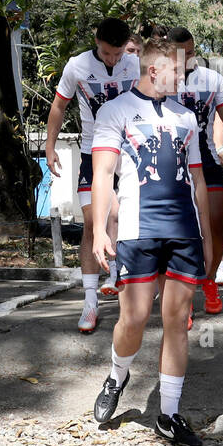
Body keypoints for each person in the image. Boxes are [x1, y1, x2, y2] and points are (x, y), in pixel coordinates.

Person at [90, 34, 213, 446]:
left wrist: (208, 238)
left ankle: (170, 414)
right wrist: (98, 232)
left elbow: (198, 179)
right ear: (154, 70)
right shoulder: (115, 110)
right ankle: (117, 375)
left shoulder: (187, 117)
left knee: (177, 320)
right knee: (136, 318)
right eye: (177, 69)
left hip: (183, 232)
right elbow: (104, 174)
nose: (184, 75)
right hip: (137, 230)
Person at [46, 17, 140, 334]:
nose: (113, 59)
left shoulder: (135, 65)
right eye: (107, 53)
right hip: (92, 151)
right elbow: (59, 106)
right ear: (96, 40)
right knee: (91, 222)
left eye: (118, 54)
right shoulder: (78, 66)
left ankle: (131, 281)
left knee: (127, 218)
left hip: (130, 152)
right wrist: (49, 146)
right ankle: (90, 302)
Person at [163, 27, 223, 317]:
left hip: (206, 158)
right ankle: (182, 296)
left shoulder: (212, 79)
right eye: (182, 54)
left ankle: (209, 279)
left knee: (218, 221)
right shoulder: (160, 79)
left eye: (192, 52)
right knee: (178, 228)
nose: (188, 58)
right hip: (170, 159)